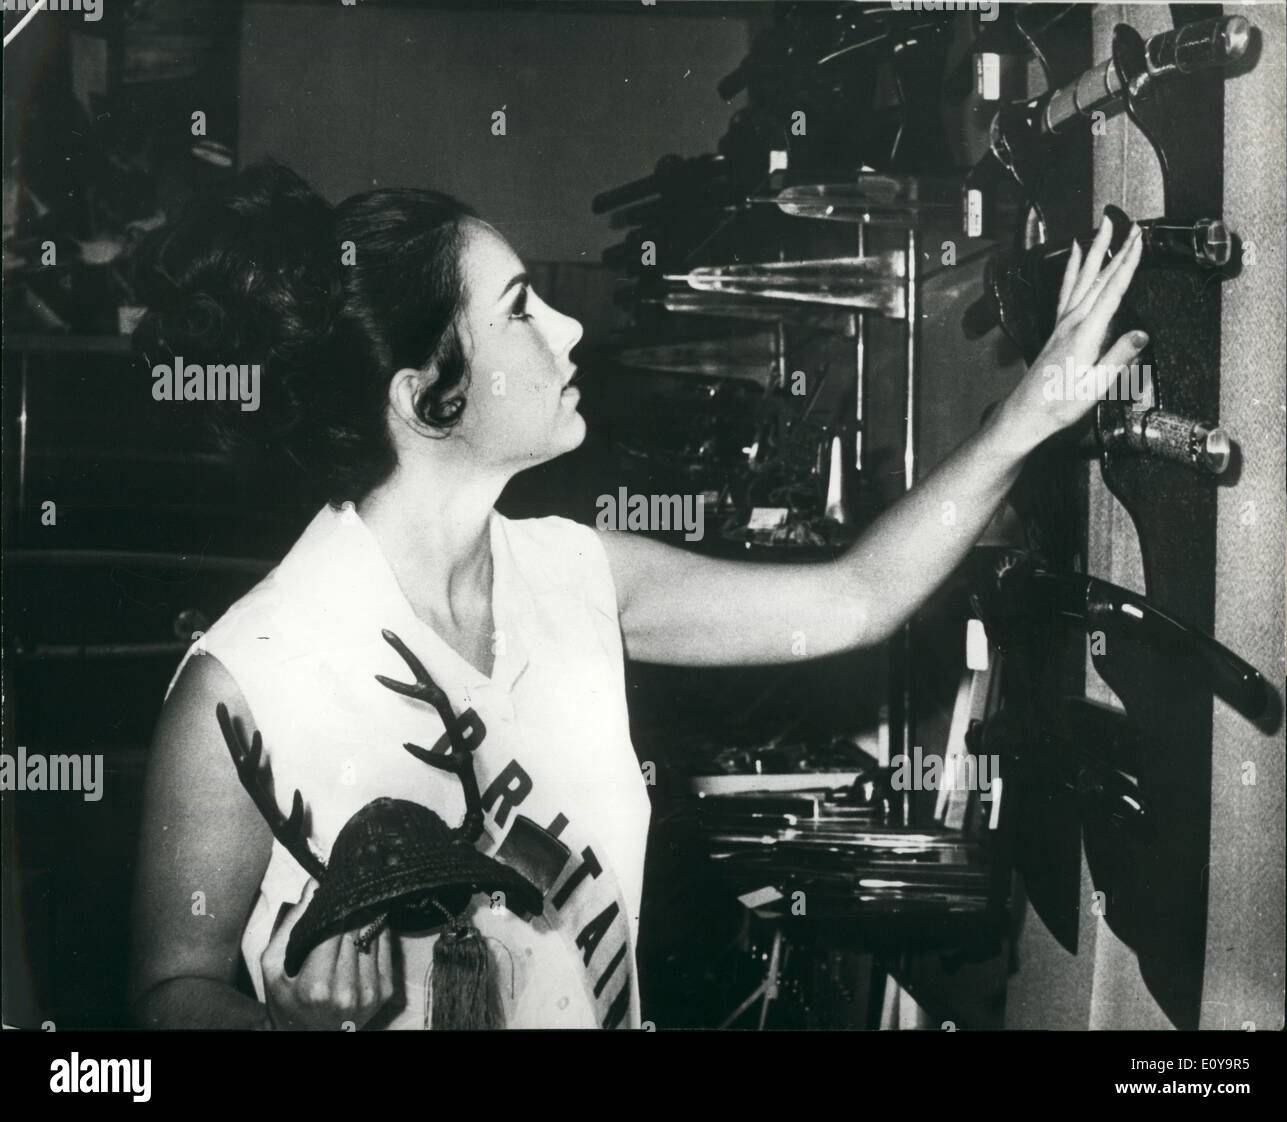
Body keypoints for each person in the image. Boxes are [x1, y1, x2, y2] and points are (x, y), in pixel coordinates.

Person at [128, 160, 1145, 1030]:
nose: (570, 330)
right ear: (424, 393)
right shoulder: (246, 681)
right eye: (520, 309)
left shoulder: (570, 573)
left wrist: (1025, 418)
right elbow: (168, 995)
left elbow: (852, 600)